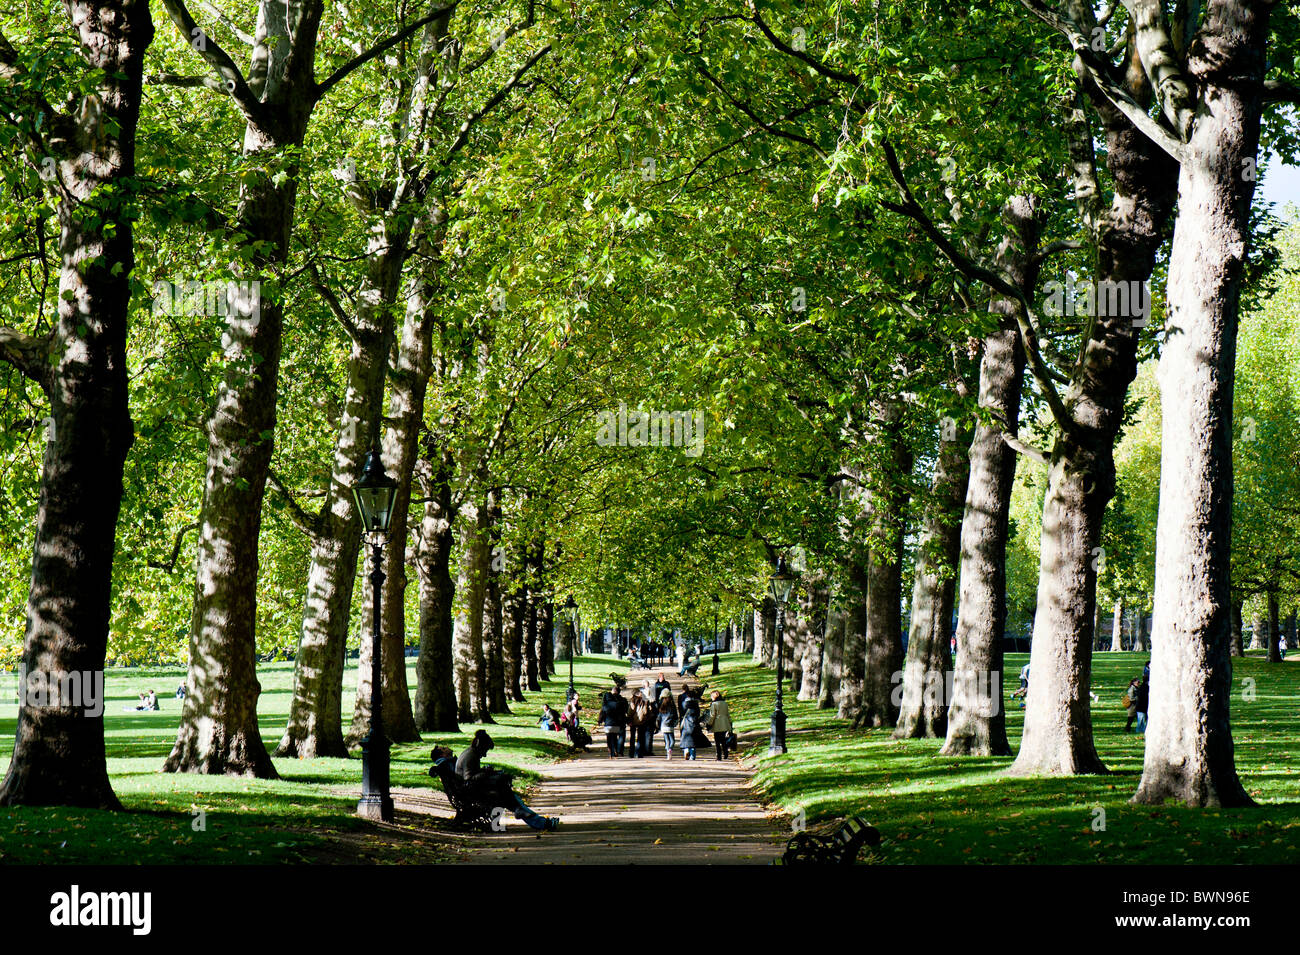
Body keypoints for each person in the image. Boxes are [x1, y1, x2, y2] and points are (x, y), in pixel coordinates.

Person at [450, 732, 558, 832]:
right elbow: (469, 779)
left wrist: (486, 771)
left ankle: (529, 818)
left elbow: (472, 775)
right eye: (485, 750)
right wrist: (486, 772)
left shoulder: (471, 753)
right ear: (480, 746)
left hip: (469, 789)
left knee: (505, 788)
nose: (485, 755)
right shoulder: (471, 756)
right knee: (505, 792)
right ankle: (535, 820)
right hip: (471, 791)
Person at [599, 686, 628, 758]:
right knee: (615, 738)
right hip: (616, 723)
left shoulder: (605, 705)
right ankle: (616, 750)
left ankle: (611, 752)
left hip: (608, 724)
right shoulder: (618, 703)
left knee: (609, 739)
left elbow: (602, 714)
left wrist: (600, 720)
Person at [706, 689, 733, 760]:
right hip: (725, 723)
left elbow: (712, 715)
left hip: (717, 724)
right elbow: (727, 714)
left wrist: (709, 724)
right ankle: (725, 752)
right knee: (723, 739)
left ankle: (719, 755)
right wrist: (730, 723)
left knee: (717, 741)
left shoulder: (714, 704)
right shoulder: (724, 703)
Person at [657, 693, 678, 759]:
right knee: (672, 740)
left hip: (663, 726)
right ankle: (670, 749)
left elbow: (659, 717)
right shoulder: (672, 708)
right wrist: (675, 723)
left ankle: (668, 751)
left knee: (667, 740)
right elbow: (675, 716)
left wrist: (658, 725)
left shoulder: (662, 707)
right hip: (670, 725)